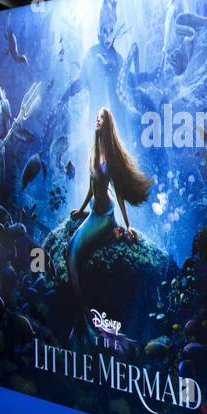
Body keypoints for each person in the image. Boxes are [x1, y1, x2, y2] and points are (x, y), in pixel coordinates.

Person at [67, 107, 153, 321]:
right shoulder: (94, 149)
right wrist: (81, 208)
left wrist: (127, 224)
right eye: (96, 117)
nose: (97, 120)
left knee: (73, 251)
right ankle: (81, 309)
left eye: (101, 118)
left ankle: (84, 314)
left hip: (105, 215)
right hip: (94, 209)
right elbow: (91, 185)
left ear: (107, 123)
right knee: (71, 251)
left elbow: (120, 194)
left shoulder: (111, 156)